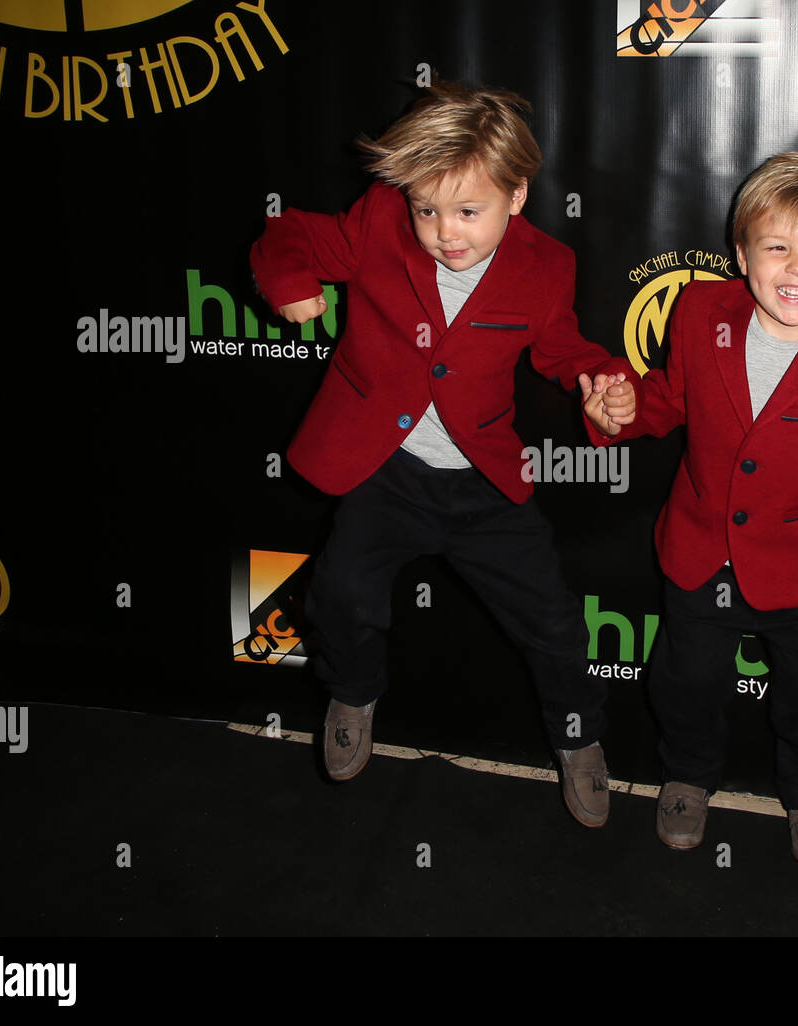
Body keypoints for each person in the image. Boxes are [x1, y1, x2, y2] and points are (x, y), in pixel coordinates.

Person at [251, 80, 636, 828]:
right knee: (340, 598)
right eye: (427, 210)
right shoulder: (377, 225)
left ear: (516, 196)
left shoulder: (546, 266)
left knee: (555, 624)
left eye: (468, 211)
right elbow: (286, 236)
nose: (444, 232)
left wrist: (605, 384)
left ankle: (578, 735)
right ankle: (354, 692)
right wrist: (293, 281)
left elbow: (563, 348)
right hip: (385, 473)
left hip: (482, 482)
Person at [581, 152, 798, 865]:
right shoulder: (700, 310)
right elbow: (669, 401)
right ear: (742, 255)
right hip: (697, 551)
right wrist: (618, 413)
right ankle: (687, 777)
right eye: (777, 246)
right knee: (686, 684)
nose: (797, 268)